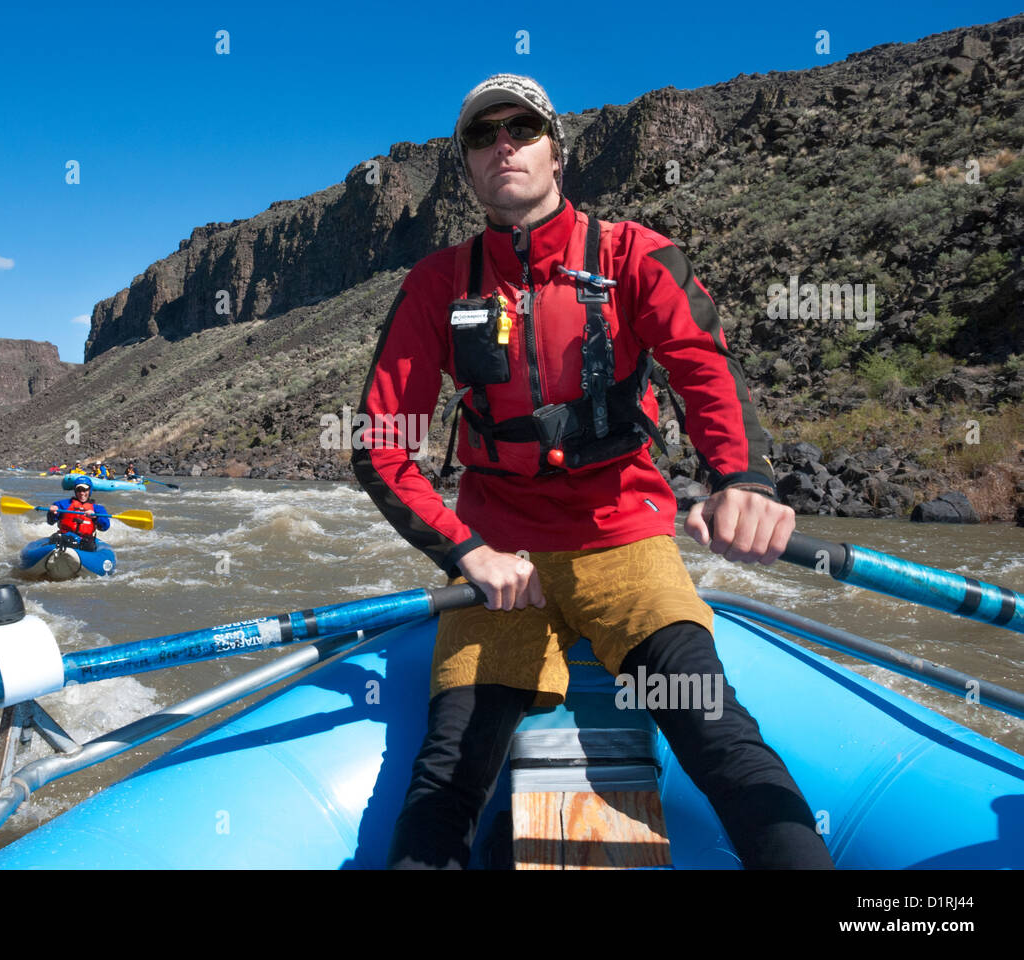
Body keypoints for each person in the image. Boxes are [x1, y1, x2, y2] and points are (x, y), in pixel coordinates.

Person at [352, 74, 832, 869]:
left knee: (717, 733)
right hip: (498, 559)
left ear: (556, 153)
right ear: (467, 167)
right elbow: (382, 442)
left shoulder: (634, 254)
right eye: (482, 135)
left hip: (624, 540)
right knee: (446, 773)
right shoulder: (436, 284)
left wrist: (741, 481)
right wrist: (465, 551)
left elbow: (704, 370)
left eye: (522, 128)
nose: (502, 143)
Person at [46, 478, 111, 551]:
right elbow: (50, 522)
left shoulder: (98, 508)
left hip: (85, 540)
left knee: (88, 546)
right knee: (58, 538)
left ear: (90, 490)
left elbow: (105, 527)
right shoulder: (63, 504)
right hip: (64, 536)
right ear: (75, 491)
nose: (82, 493)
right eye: (79, 490)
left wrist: (95, 517)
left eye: (85, 490)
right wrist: (52, 513)